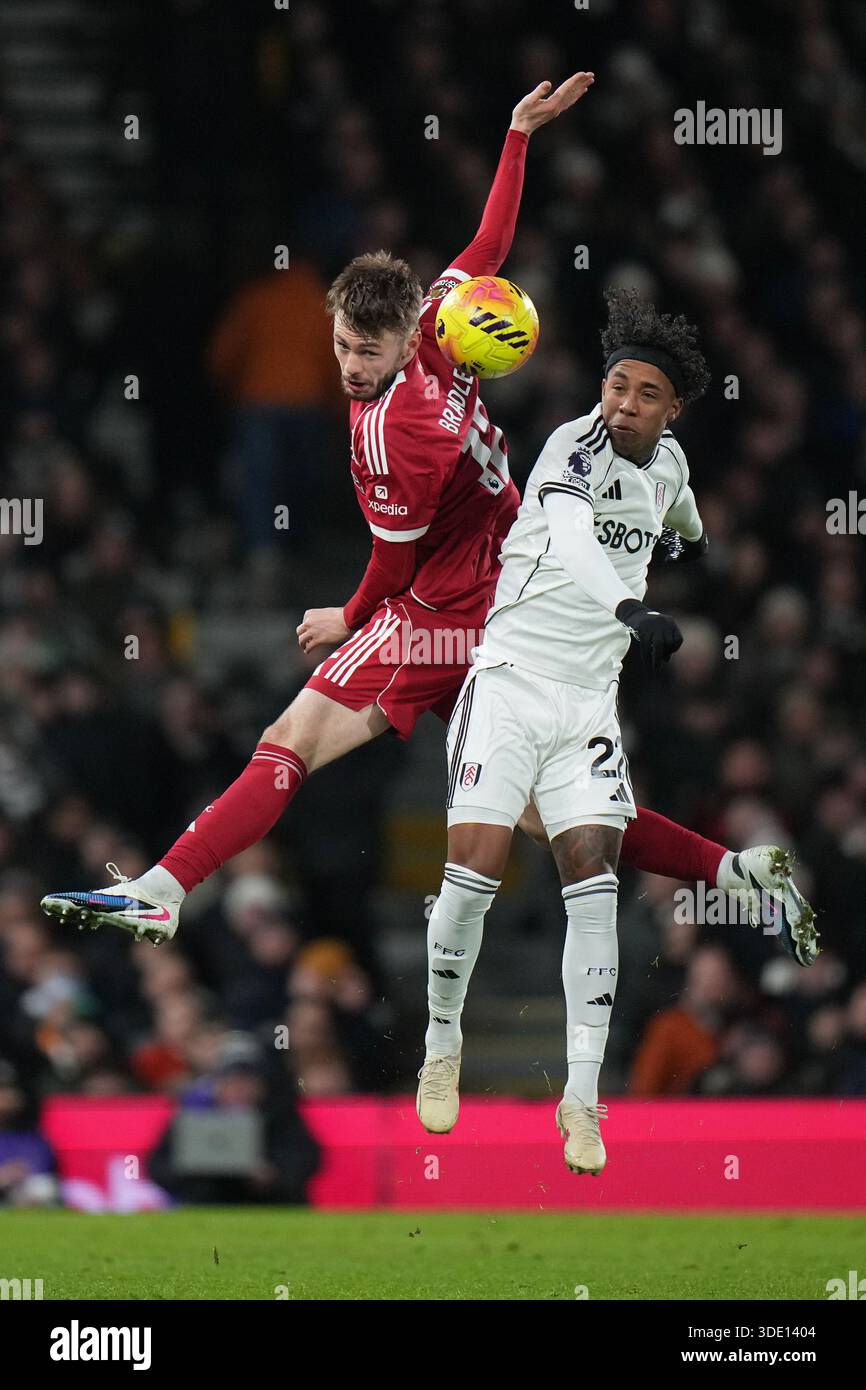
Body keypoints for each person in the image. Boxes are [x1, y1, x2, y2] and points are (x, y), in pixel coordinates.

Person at [40, 73, 814, 979]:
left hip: (448, 605)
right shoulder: (448, 318)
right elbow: (489, 241)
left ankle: (164, 893)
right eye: (341, 346)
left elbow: (391, 565)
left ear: (407, 340)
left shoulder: (395, 434)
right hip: (510, 591)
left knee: (292, 740)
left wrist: (346, 616)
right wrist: (518, 135)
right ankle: (738, 871)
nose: (350, 367)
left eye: (367, 352)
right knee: (555, 814)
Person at [414, 289, 816, 1176]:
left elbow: (680, 513)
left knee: (592, 876)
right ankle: (441, 1041)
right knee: (473, 873)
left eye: (643, 396)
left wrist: (692, 534)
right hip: (510, 684)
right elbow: (568, 534)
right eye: (615, 387)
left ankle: (583, 1099)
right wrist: (633, 604)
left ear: (673, 409)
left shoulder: (668, 463)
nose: (622, 406)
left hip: (587, 707)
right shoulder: (571, 444)